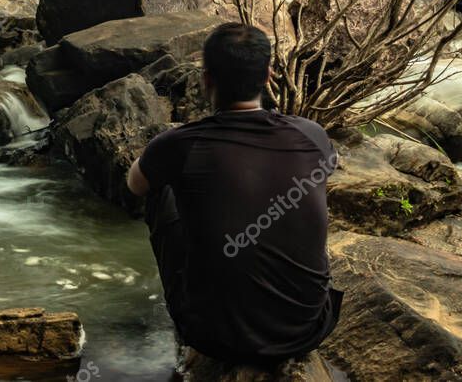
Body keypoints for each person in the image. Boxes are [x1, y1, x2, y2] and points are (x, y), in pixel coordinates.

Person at [127, 22, 342, 365]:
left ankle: (208, 294)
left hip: (212, 336)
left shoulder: (179, 143)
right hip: (307, 329)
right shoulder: (312, 135)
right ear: (270, 75)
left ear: (206, 80)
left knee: (160, 187)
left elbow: (134, 184)